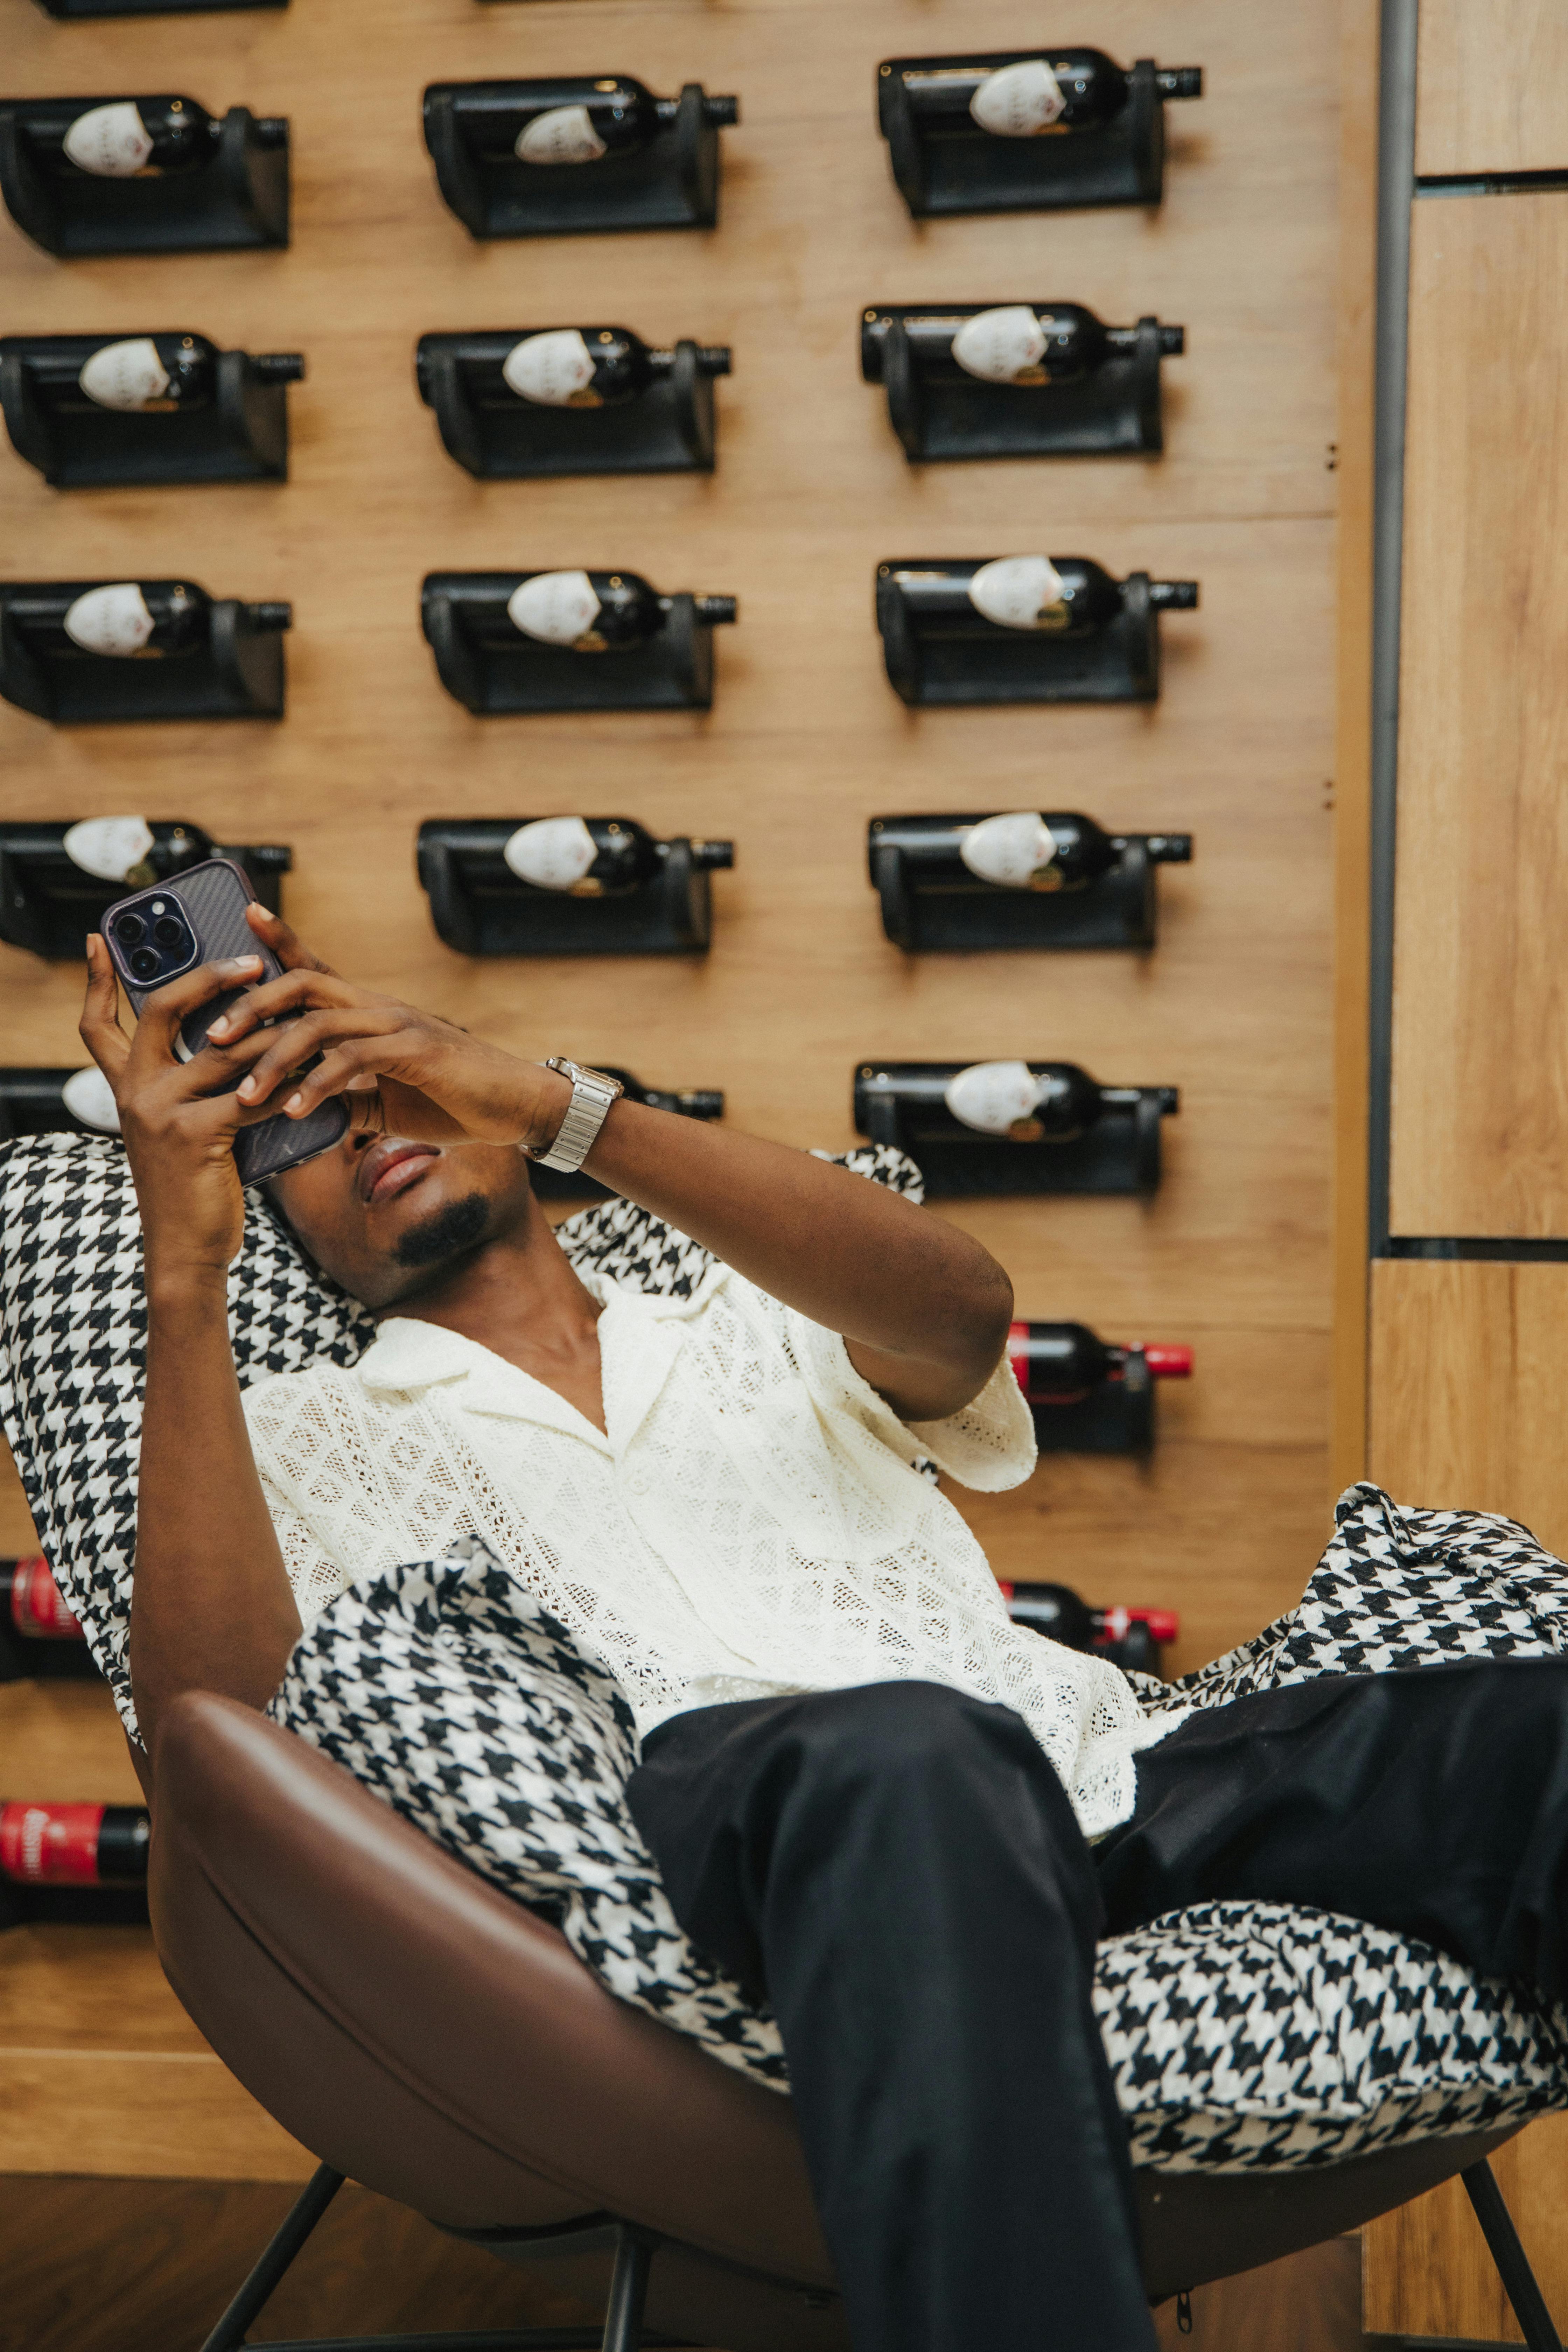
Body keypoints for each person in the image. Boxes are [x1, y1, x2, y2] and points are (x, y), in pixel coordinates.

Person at [81, 908, 1568, 2352]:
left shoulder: (756, 1299)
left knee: (1529, 1724)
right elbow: (220, 1752)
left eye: (379, 1079)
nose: (359, 1127)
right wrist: (183, 1263)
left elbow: (961, 1311)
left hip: (1099, 1781)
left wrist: (551, 1101)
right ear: (268, 1209)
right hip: (760, 1836)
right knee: (907, 1750)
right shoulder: (286, 1432)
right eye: (296, 1131)